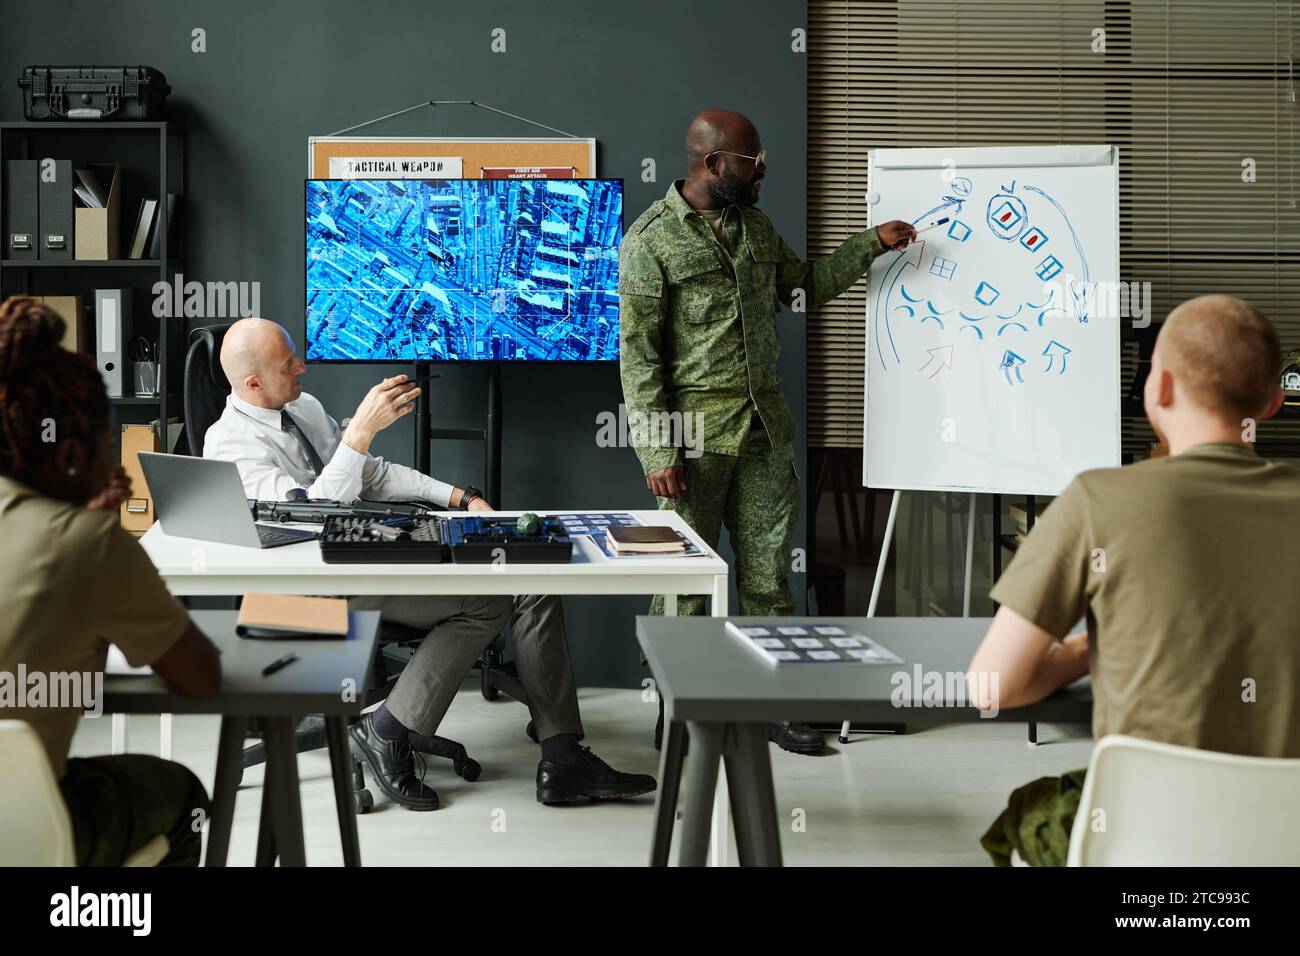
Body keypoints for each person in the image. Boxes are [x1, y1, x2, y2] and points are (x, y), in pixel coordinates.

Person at [203, 317, 654, 809]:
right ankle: (389, 731)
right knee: (490, 597)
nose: (303, 368)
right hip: (306, 592)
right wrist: (359, 435)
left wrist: (461, 497)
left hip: (359, 560)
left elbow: (371, 476)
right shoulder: (229, 445)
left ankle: (562, 756)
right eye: (289, 363)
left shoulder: (302, 407)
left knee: (531, 578)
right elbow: (316, 517)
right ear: (251, 382)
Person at [618, 108, 917, 754]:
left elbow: (806, 283)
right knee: (683, 583)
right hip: (691, 441)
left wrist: (871, 243)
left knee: (766, 579)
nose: (762, 173)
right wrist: (655, 445)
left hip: (762, 434)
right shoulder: (649, 241)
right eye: (752, 162)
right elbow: (638, 355)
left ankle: (774, 706)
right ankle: (676, 707)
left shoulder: (755, 228)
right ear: (713, 164)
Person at [968, 294, 1300, 866]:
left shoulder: (1099, 501)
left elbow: (993, 687)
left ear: (1159, 388)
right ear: (1272, 403)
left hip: (1143, 853)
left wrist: (1083, 649)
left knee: (1026, 816)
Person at [0, 296, 221, 866]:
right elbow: (199, 677)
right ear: (72, 453)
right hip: (22, 831)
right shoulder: (92, 545)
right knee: (184, 797)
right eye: (108, 447)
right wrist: (97, 538)